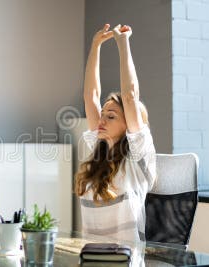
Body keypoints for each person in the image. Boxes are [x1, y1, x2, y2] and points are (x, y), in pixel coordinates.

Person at [75, 23, 157, 242]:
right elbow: (90, 96)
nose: (101, 121)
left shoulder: (137, 157)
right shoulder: (99, 150)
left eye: (111, 116)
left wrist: (123, 42)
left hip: (126, 260)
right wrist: (95, 45)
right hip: (91, 258)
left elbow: (130, 95)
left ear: (128, 124)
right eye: (102, 114)